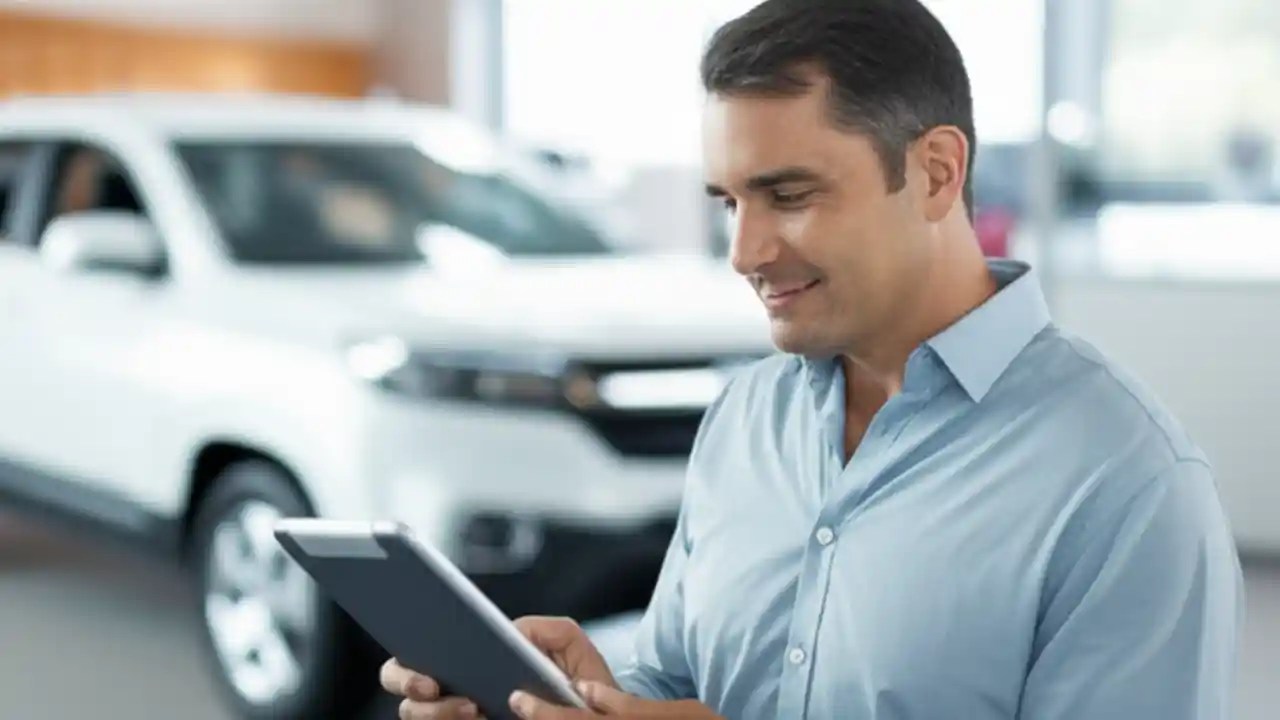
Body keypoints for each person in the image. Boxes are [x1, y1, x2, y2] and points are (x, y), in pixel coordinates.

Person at [383, 0, 1245, 718]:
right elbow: (683, 683)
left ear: (936, 173)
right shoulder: (746, 416)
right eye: (730, 202)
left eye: (789, 195)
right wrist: (594, 697)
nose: (745, 251)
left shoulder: (1126, 485)